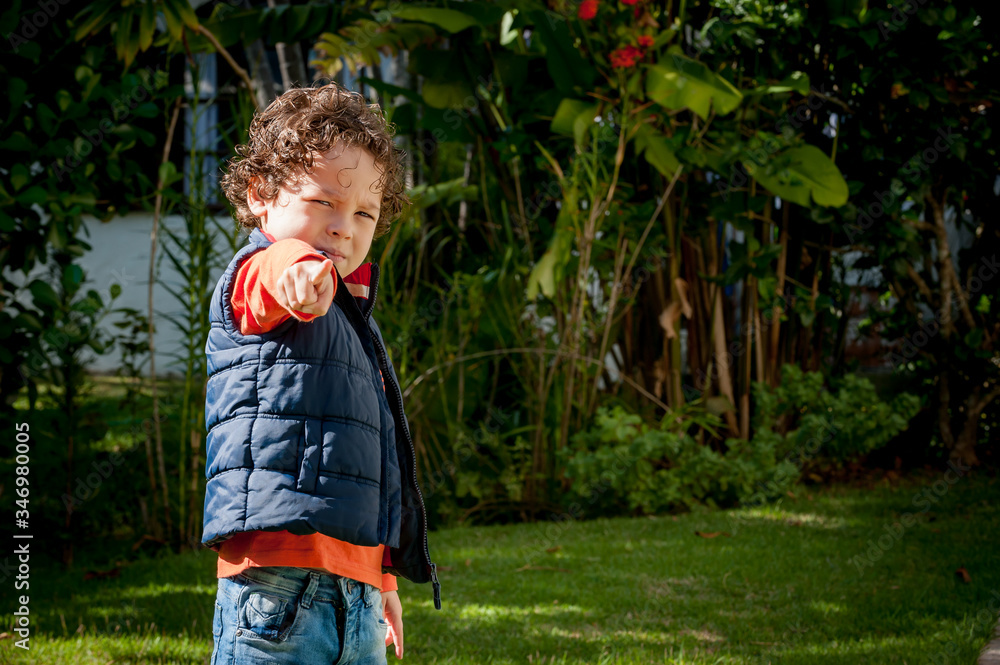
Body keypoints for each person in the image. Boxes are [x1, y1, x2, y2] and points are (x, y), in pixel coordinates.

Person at [203, 82, 440, 665]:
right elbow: (277, 269)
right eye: (323, 202)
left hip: (356, 588)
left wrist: (382, 580)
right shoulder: (259, 276)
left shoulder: (357, 322)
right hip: (276, 584)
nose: (344, 227)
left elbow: (376, 463)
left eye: (364, 212)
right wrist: (299, 272)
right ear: (262, 194)